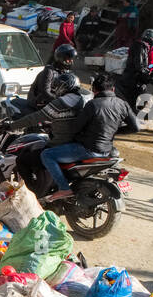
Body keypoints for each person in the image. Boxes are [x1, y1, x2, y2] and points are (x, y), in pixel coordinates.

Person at [41, 72, 137, 201]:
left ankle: (64, 188)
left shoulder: (92, 104)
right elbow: (136, 127)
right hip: (107, 151)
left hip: (88, 150)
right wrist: (113, 131)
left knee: (47, 154)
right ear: (113, 89)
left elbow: (75, 128)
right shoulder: (122, 104)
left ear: (94, 90)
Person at [3, 71, 86, 143]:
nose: (56, 88)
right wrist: (50, 125)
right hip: (74, 140)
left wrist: (11, 126)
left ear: (66, 86)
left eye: (59, 85)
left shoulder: (61, 102)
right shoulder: (81, 99)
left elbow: (33, 118)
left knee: (28, 155)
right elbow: (66, 120)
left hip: (59, 142)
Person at [29, 44, 77, 110]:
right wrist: (59, 100)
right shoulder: (49, 71)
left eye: (72, 60)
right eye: (69, 60)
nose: (71, 62)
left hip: (53, 102)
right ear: (61, 58)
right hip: (39, 103)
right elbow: (45, 92)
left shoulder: (66, 72)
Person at [121, 27, 153, 109]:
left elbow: (147, 65)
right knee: (135, 98)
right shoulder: (140, 47)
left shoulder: (143, 46)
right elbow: (140, 66)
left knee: (144, 97)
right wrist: (150, 78)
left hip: (135, 76)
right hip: (132, 77)